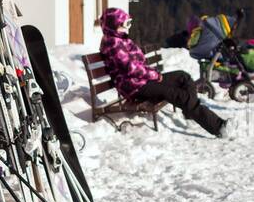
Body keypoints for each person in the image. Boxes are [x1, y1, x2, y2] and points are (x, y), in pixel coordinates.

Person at [98, 8, 228, 137]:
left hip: (141, 81)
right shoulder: (113, 44)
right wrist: (155, 75)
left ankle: (190, 111)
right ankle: (218, 126)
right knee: (179, 95)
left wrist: (152, 74)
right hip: (134, 88)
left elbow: (139, 61)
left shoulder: (122, 39)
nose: (128, 27)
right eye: (125, 24)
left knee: (183, 77)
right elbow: (132, 68)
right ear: (113, 25)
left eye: (129, 23)